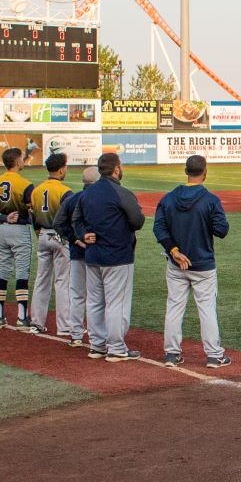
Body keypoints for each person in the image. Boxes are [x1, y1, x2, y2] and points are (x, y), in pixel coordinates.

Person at [154, 153, 234, 368]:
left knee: (174, 307)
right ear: (205, 171)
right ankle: (214, 355)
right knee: (206, 308)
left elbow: (159, 228)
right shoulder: (210, 200)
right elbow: (222, 230)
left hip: (176, 262)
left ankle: (171, 354)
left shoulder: (169, 198)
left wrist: (173, 249)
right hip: (202, 263)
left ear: (186, 171)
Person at [74, 151, 145, 361]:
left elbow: (75, 218)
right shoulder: (121, 193)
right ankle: (115, 347)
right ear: (116, 169)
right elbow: (138, 221)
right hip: (118, 255)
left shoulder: (87, 193)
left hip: (93, 254)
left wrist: (82, 235)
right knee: (117, 303)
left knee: (95, 301)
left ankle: (97, 345)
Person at [25, 151, 73, 336]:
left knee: (41, 280)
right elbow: (69, 217)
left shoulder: (37, 190)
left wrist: (38, 230)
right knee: (62, 281)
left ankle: (36, 323)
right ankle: (65, 326)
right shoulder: (64, 191)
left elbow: (33, 214)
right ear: (61, 170)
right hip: (59, 236)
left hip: (43, 234)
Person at [0, 147, 36, 328]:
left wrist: (3, 217)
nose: (24, 161)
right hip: (20, 230)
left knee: (2, 271)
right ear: (17, 161)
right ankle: (22, 317)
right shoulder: (25, 184)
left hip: (2, 229)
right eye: (22, 158)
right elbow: (32, 211)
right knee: (22, 273)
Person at [53, 167, 99, 349]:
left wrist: (74, 239)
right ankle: (97, 337)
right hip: (97, 253)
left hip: (77, 252)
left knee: (77, 294)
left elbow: (58, 223)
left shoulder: (72, 199)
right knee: (96, 296)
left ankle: (76, 334)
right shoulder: (99, 199)